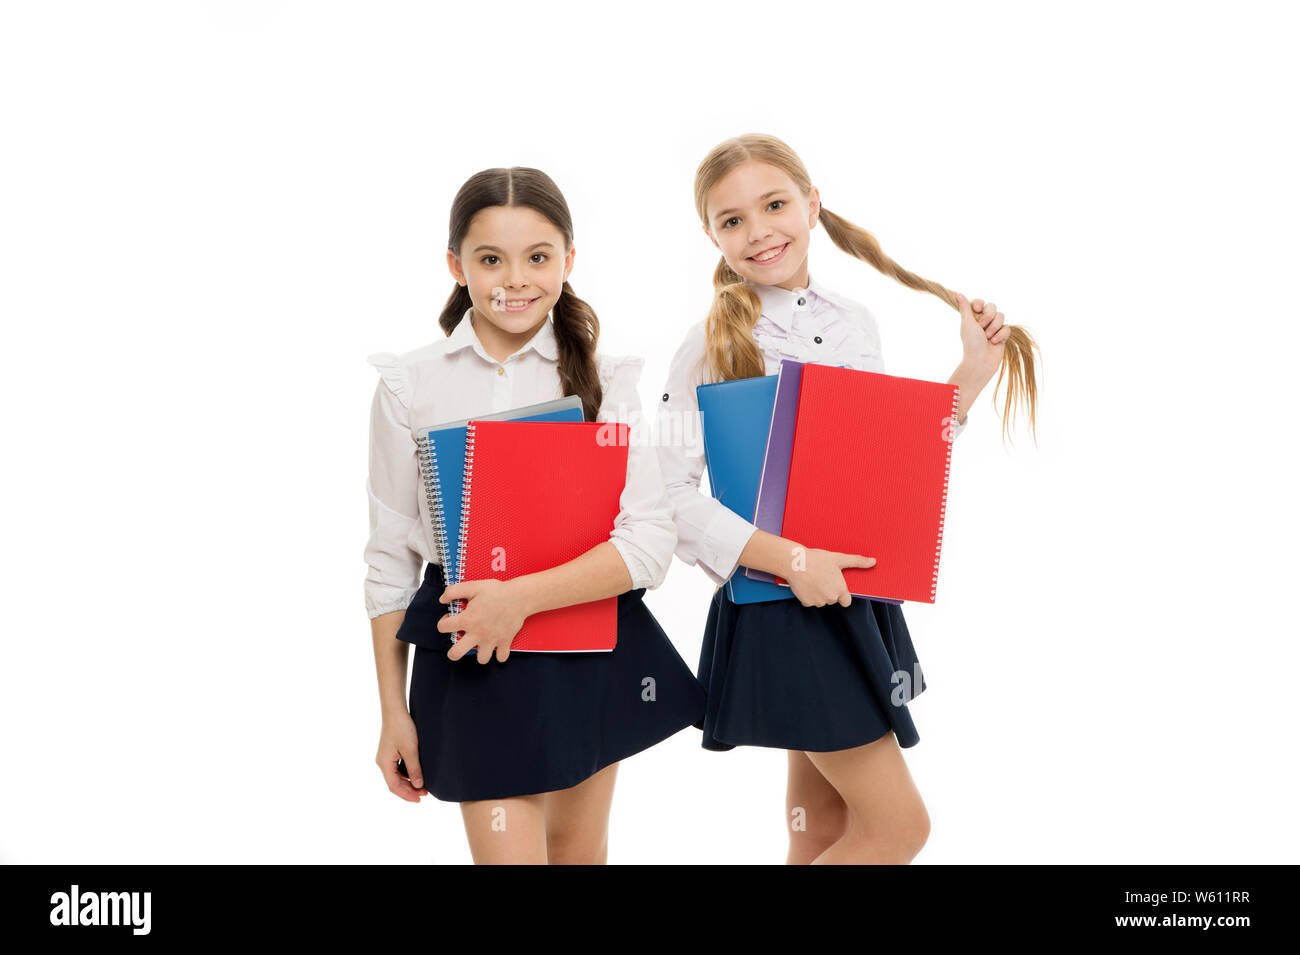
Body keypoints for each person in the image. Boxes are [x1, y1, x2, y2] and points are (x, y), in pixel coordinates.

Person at [655, 133, 1040, 864]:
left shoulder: (853, 320)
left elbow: (885, 467)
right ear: (711, 235)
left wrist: (971, 374)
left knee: (824, 829)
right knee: (900, 829)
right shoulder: (707, 341)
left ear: (812, 203)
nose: (758, 229)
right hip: (783, 608)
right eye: (732, 219)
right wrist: (790, 558)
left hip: (854, 598)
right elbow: (664, 497)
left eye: (774, 204)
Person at [365, 166, 705, 864]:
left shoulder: (606, 378)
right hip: (469, 651)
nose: (514, 279)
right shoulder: (410, 384)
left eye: (539, 257)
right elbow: (389, 560)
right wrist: (392, 711)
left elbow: (648, 543)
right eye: (491, 259)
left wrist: (517, 599)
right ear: (457, 265)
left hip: (586, 637)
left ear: (569, 261)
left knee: (578, 855)